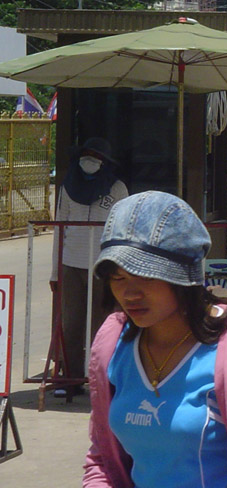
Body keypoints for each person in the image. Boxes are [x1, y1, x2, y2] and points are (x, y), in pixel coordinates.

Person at [85, 191, 227, 488]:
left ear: (183, 278)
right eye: (117, 278)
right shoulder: (112, 343)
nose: (129, 293)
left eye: (145, 276)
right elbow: (102, 458)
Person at [50, 137, 129, 397]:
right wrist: (55, 271)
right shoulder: (68, 188)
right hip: (70, 264)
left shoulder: (117, 189)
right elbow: (59, 229)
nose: (90, 160)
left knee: (102, 325)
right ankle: (70, 378)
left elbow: (123, 231)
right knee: (70, 325)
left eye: (95, 156)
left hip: (102, 267)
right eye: (86, 154)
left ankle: (100, 379)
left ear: (105, 162)